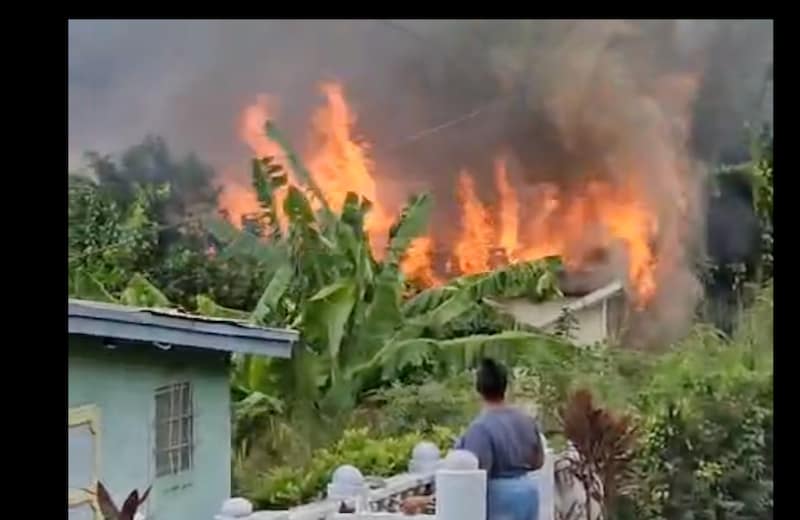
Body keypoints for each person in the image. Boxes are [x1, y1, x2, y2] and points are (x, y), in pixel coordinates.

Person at [401, 358, 543, 519]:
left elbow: (469, 480)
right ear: (506, 387)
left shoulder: (480, 428)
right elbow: (538, 462)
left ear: (477, 389)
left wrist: (424, 501)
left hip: (499, 502)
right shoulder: (526, 420)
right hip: (528, 496)